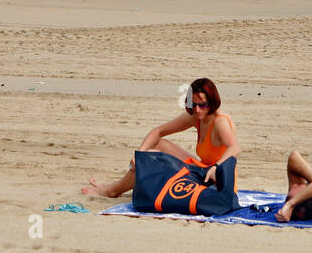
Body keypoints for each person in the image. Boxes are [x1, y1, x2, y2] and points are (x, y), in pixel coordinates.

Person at [82, 78, 237, 198]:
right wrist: (140, 154)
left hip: (217, 179)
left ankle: (113, 190)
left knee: (152, 154)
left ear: (212, 102)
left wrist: (216, 167)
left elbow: (235, 148)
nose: (197, 109)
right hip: (203, 169)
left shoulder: (219, 121)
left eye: (202, 105)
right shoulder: (197, 116)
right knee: (155, 147)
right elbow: (158, 131)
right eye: (194, 104)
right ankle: (116, 187)